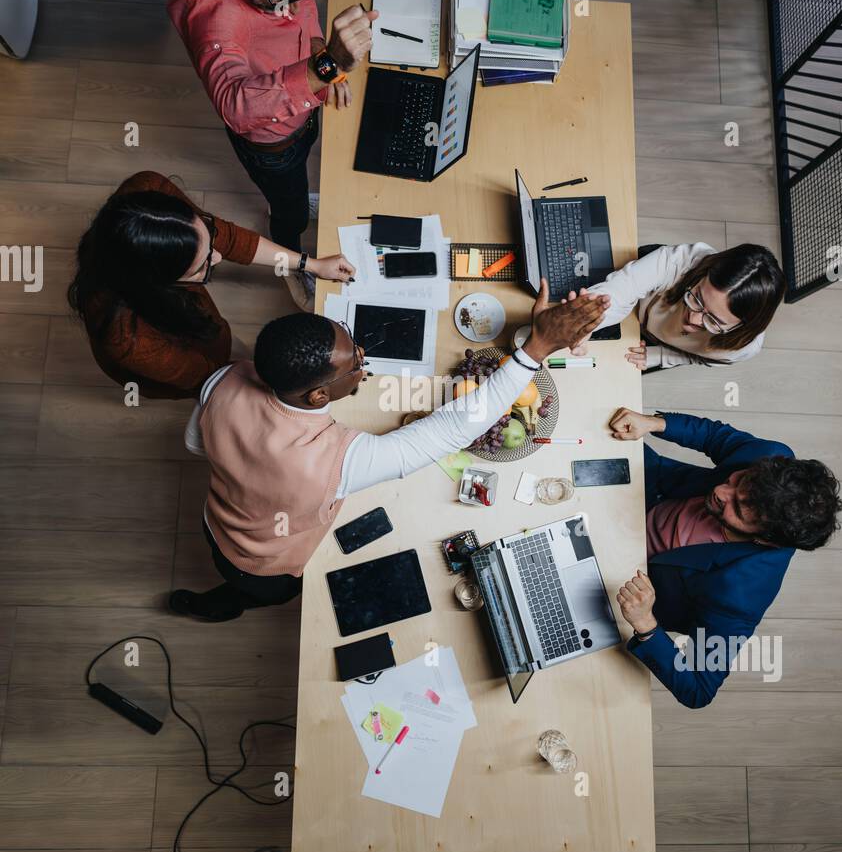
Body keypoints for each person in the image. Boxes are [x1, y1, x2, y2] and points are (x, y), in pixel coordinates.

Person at [171, 282, 609, 621]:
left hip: (214, 519)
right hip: (263, 562)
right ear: (319, 396)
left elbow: (195, 443)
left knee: (224, 559)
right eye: (355, 364)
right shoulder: (337, 463)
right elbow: (459, 425)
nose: (363, 359)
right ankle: (220, 606)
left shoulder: (225, 379)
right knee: (257, 591)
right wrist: (536, 348)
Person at [167, 0, 377, 298]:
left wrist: (319, 49)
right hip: (270, 137)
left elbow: (303, 9)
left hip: (300, 103)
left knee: (304, 165)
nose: (295, 7)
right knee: (288, 206)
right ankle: (292, 252)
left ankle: (296, 199)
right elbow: (237, 105)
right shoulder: (211, 12)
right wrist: (326, 64)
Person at [608, 406, 842, 707]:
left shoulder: (742, 593)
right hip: (647, 490)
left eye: (739, 508)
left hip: (622, 578)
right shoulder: (770, 457)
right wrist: (653, 423)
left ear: (763, 539)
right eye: (738, 479)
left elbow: (698, 690)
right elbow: (715, 436)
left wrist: (646, 624)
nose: (721, 490)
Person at [68, 170, 354, 400]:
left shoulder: (148, 190)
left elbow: (229, 239)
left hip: (188, 322)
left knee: (226, 343)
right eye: (202, 265)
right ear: (161, 283)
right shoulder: (129, 340)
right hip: (178, 368)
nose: (218, 255)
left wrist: (311, 264)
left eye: (208, 239)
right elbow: (204, 375)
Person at [591, 242, 784, 371]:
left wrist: (661, 357)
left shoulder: (743, 348)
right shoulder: (682, 261)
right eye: (698, 298)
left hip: (654, 343)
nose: (692, 320)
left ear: (742, 328)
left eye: (713, 320)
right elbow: (624, 288)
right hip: (636, 304)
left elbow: (706, 357)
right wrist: (586, 320)